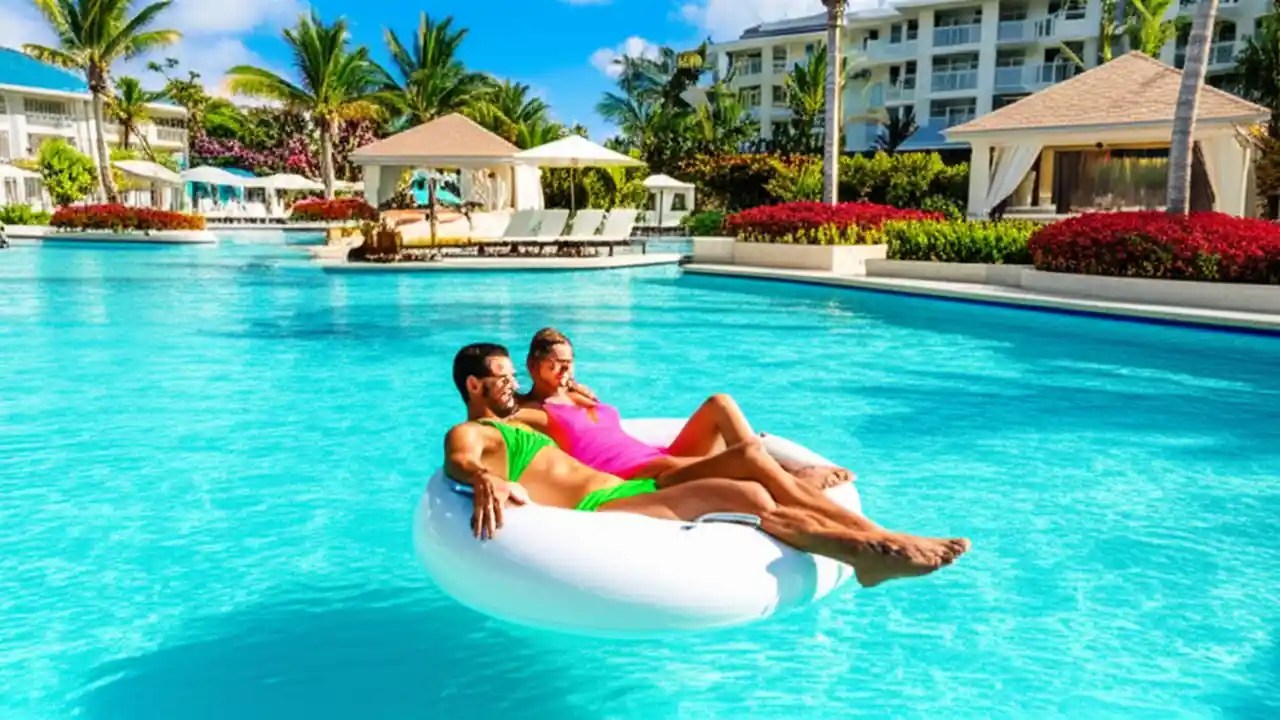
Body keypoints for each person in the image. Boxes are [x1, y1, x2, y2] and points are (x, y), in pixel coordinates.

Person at [443, 342, 970, 588]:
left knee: (752, 496)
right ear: (473, 385)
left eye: (514, 374)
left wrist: (584, 401)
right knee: (745, 489)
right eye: (503, 377)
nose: (512, 383)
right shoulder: (477, 432)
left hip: (627, 487)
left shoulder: (522, 422)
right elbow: (458, 460)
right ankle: (871, 546)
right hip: (601, 503)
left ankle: (867, 554)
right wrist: (481, 475)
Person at [512, 329, 852, 515]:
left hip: (654, 453)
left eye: (569, 363)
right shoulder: (535, 411)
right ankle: (793, 479)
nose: (564, 371)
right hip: (634, 472)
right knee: (742, 456)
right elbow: (498, 423)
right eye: (554, 365)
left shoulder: (579, 393)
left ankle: (781, 471)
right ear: (532, 366)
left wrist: (579, 392)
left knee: (720, 402)